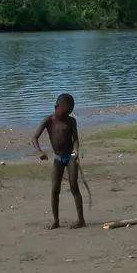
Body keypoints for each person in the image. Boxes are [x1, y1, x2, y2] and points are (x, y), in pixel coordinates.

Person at [32, 93, 85, 229]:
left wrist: (76, 150)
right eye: (67, 110)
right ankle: (56, 221)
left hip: (71, 157)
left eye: (71, 110)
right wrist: (40, 152)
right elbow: (34, 138)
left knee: (74, 187)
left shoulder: (71, 121)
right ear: (57, 107)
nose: (69, 112)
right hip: (57, 158)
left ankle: (81, 220)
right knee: (55, 190)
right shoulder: (48, 120)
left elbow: (75, 139)